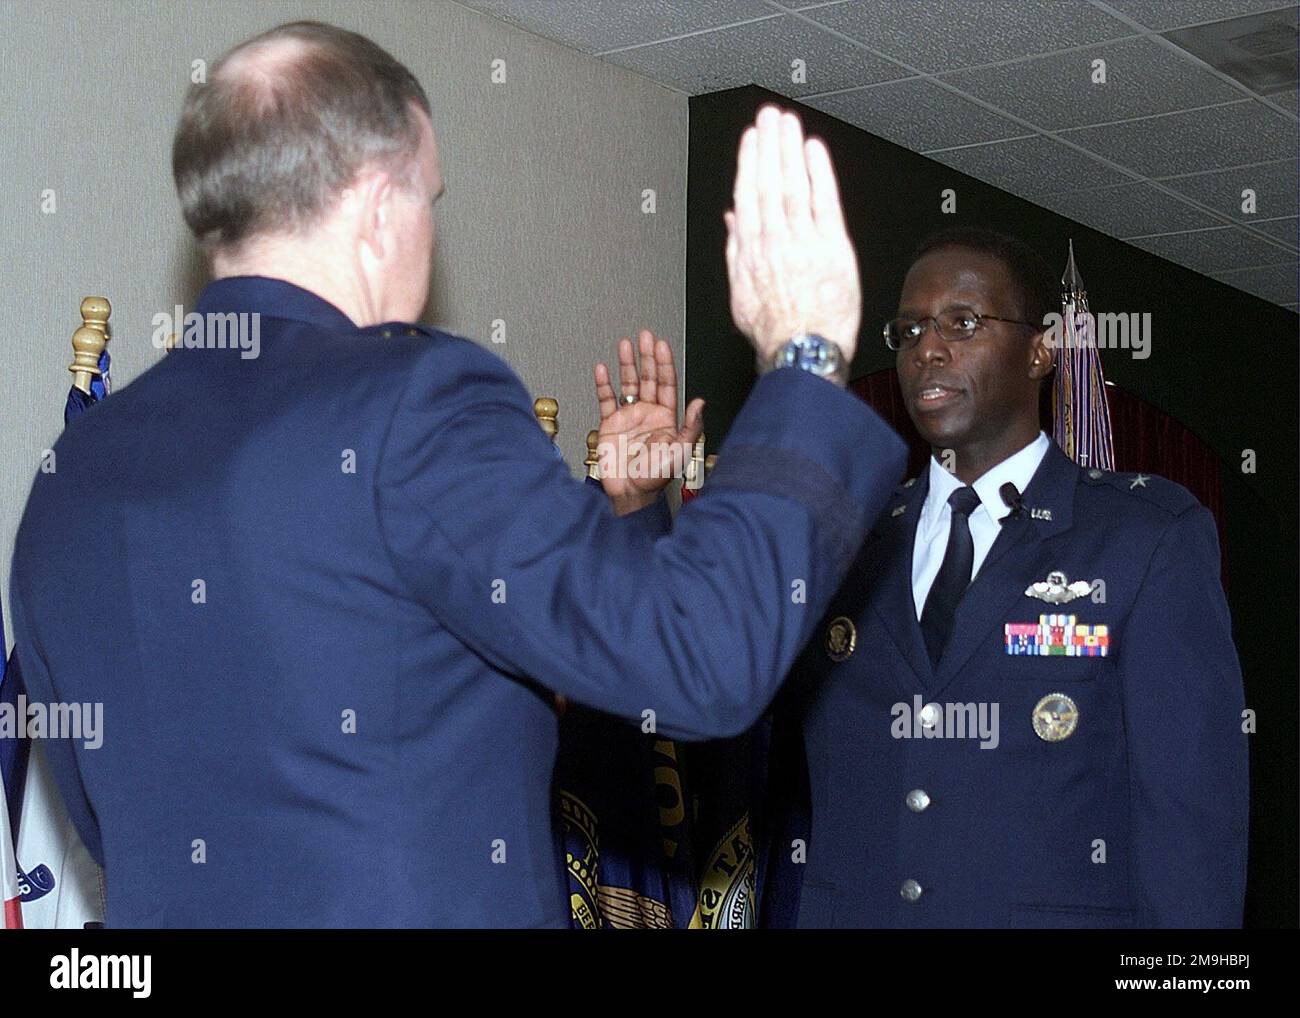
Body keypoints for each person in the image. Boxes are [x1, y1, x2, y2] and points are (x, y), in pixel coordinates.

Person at [6, 21, 904, 927]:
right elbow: (701, 661)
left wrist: (626, 513)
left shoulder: (72, 471)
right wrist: (805, 355)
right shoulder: (416, 396)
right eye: (430, 199)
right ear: (377, 204)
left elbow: (106, 809)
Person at [776, 228, 1249, 927]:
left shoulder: (1141, 539)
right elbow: (702, 686)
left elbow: (1190, 826)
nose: (927, 349)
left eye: (962, 323)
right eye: (908, 330)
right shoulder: (846, 542)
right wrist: (634, 511)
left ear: (1040, 349)